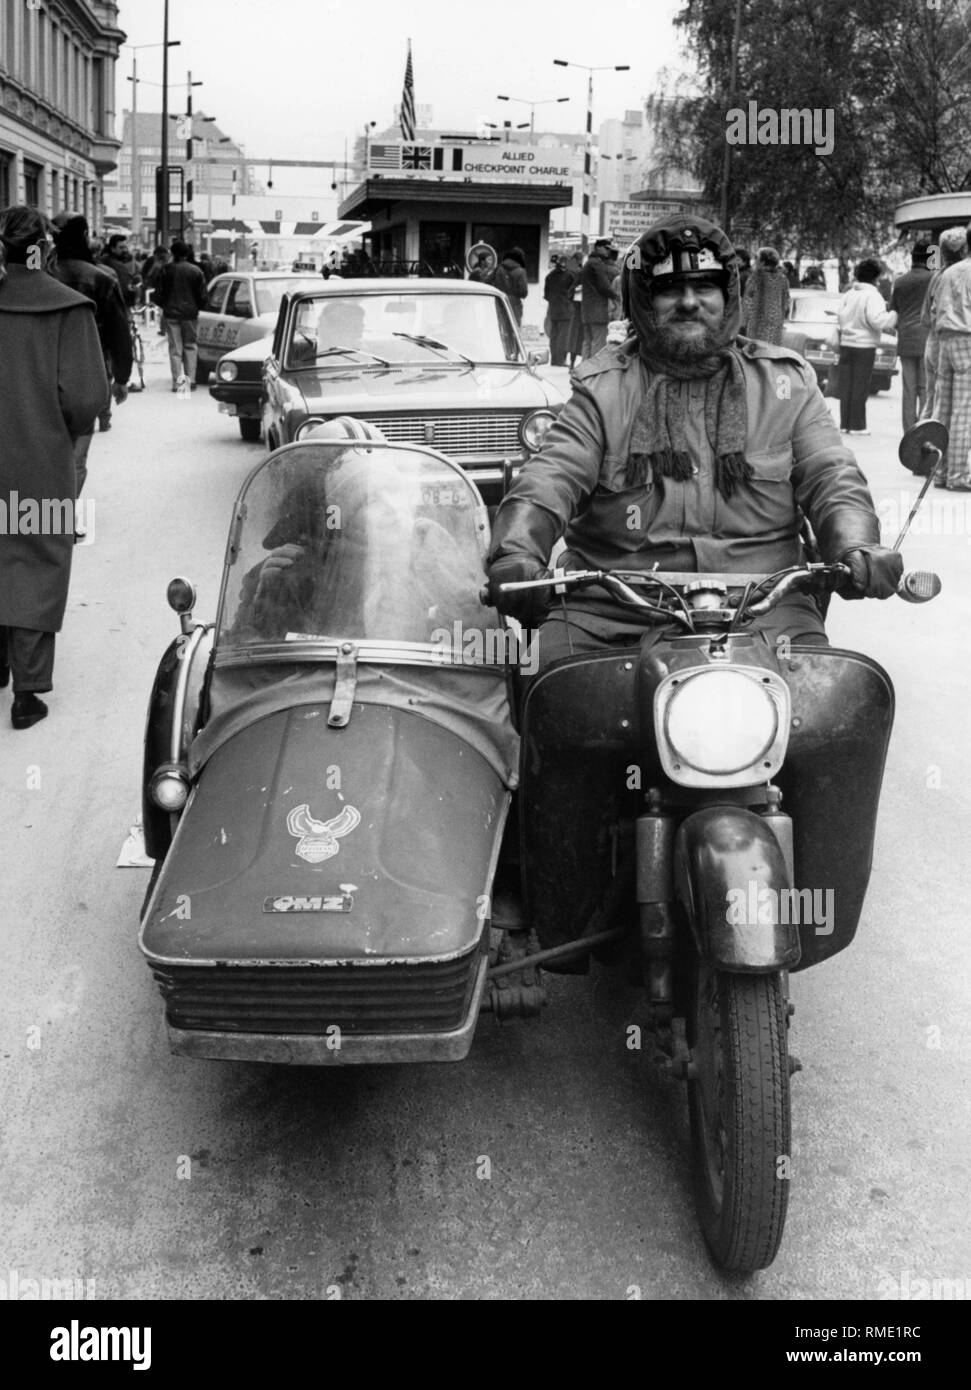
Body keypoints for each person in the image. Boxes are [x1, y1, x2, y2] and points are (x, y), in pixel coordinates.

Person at [484, 214, 902, 670]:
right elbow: (551, 476)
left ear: (728, 296)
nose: (688, 302)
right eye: (669, 289)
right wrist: (518, 551)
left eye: (704, 286)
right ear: (644, 300)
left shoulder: (788, 383)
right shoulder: (601, 388)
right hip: (613, 609)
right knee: (547, 690)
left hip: (766, 609)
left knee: (831, 712)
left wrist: (856, 543)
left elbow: (831, 474)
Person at [0, 205, 108, 728]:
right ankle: (27, 692)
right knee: (38, 560)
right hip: (40, 461)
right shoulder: (69, 309)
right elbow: (86, 398)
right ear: (42, 249)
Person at [49, 213, 131, 488]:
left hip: (43, 373)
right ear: (85, 237)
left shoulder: (41, 275)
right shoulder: (103, 278)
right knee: (76, 458)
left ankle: (51, 519)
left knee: (47, 455)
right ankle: (64, 516)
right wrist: (121, 378)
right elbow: (120, 333)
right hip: (87, 373)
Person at [929, 223, 971, 490]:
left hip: (944, 338)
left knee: (943, 407)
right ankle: (959, 475)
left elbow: (935, 309)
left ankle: (940, 472)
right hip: (968, 338)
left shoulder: (949, 272)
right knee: (964, 410)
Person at [836, 257, 898, 435]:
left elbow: (840, 317)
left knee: (846, 386)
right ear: (875, 277)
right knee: (860, 386)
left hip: (846, 343)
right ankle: (858, 425)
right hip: (865, 346)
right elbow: (877, 321)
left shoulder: (848, 294)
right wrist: (893, 315)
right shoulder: (873, 295)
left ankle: (844, 423)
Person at [920, 226, 966, 430]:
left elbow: (925, 317)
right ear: (964, 250)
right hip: (947, 344)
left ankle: (924, 452)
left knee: (933, 402)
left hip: (932, 343)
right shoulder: (959, 275)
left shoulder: (937, 276)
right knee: (953, 407)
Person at [889, 240, 932, 432]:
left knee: (909, 388)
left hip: (906, 339)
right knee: (925, 387)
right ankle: (922, 427)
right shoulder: (934, 279)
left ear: (912, 258)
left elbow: (894, 310)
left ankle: (909, 429)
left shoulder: (900, 282)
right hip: (927, 339)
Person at [152, 240, 206, 390]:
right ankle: (191, 380)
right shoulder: (196, 271)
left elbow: (159, 292)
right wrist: (196, 307)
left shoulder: (166, 270)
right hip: (190, 314)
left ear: (173, 253)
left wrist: (165, 305)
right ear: (187, 253)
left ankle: (178, 382)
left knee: (175, 348)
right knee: (190, 346)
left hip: (171, 313)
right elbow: (202, 295)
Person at [581, 239, 621, 360]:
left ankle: (583, 371)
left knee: (588, 341)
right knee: (598, 343)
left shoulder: (588, 262)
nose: (608, 252)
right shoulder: (597, 263)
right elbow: (604, 286)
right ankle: (593, 373)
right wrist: (616, 296)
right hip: (597, 309)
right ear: (598, 247)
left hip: (586, 310)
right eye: (606, 248)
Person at [741, 245, 790, 344]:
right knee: (771, 351)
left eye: (756, 258)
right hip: (775, 323)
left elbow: (747, 300)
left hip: (756, 323)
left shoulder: (755, 277)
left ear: (763, 261)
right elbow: (786, 302)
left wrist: (743, 321)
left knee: (755, 351)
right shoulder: (783, 278)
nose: (754, 261)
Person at [543, 254, 576, 366]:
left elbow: (546, 295)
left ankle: (554, 359)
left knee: (554, 336)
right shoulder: (570, 276)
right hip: (566, 309)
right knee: (563, 336)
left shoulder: (549, 276)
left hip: (553, 309)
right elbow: (573, 293)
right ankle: (561, 360)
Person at [100, 233, 141, 309]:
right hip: (117, 310)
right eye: (121, 248)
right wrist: (136, 292)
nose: (125, 250)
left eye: (125, 247)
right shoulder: (118, 267)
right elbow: (126, 294)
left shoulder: (102, 261)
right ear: (113, 249)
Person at [498, 247, 528, 325]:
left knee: (501, 327)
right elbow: (523, 292)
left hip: (499, 302)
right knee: (514, 328)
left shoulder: (499, 269)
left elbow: (488, 282)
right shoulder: (521, 271)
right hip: (515, 305)